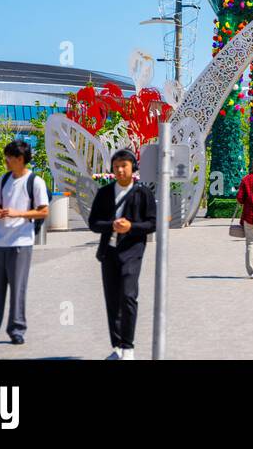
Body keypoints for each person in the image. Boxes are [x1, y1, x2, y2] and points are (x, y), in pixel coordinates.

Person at [0, 139, 49, 346]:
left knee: (18, 289)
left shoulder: (36, 182)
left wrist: (19, 213)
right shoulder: (4, 179)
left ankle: (17, 330)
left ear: (20, 159)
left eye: (9, 157)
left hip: (21, 242)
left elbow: (44, 210)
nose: (6, 161)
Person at [88, 149, 157, 359]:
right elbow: (94, 223)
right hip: (108, 251)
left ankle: (128, 347)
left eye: (124, 165)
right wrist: (112, 225)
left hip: (132, 251)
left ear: (133, 168)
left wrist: (131, 227)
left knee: (128, 295)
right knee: (112, 299)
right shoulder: (105, 193)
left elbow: (152, 223)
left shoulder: (142, 193)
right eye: (116, 166)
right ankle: (117, 346)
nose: (119, 170)